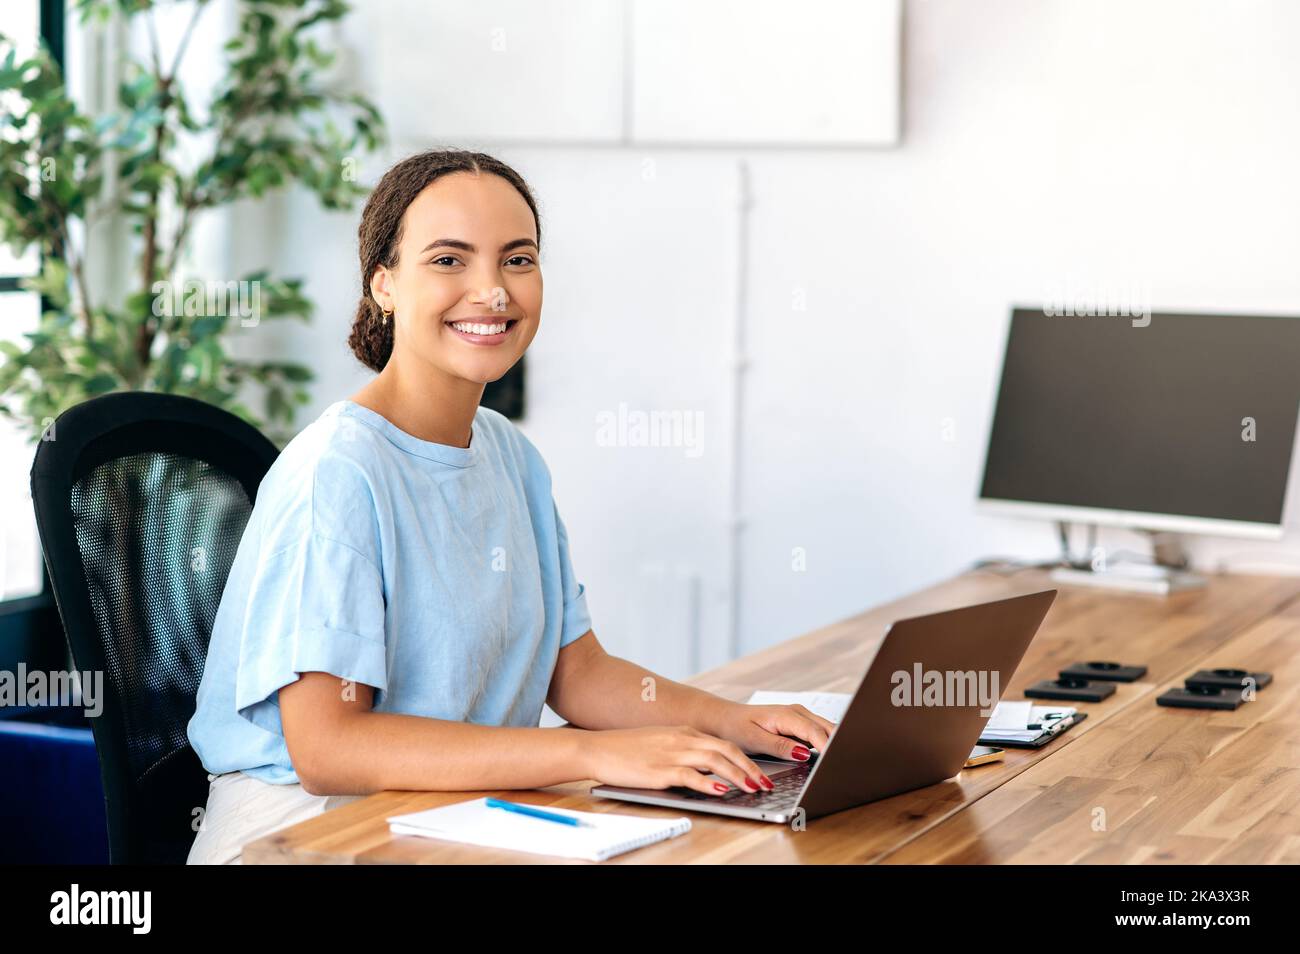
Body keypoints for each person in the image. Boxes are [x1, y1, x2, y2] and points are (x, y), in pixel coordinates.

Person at [185, 149, 835, 864]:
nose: (492, 290)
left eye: (517, 259)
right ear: (384, 284)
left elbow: (578, 674)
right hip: (307, 834)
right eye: (448, 260)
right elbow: (330, 748)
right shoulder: (337, 474)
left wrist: (734, 722)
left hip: (454, 815)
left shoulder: (507, 453)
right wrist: (598, 756)